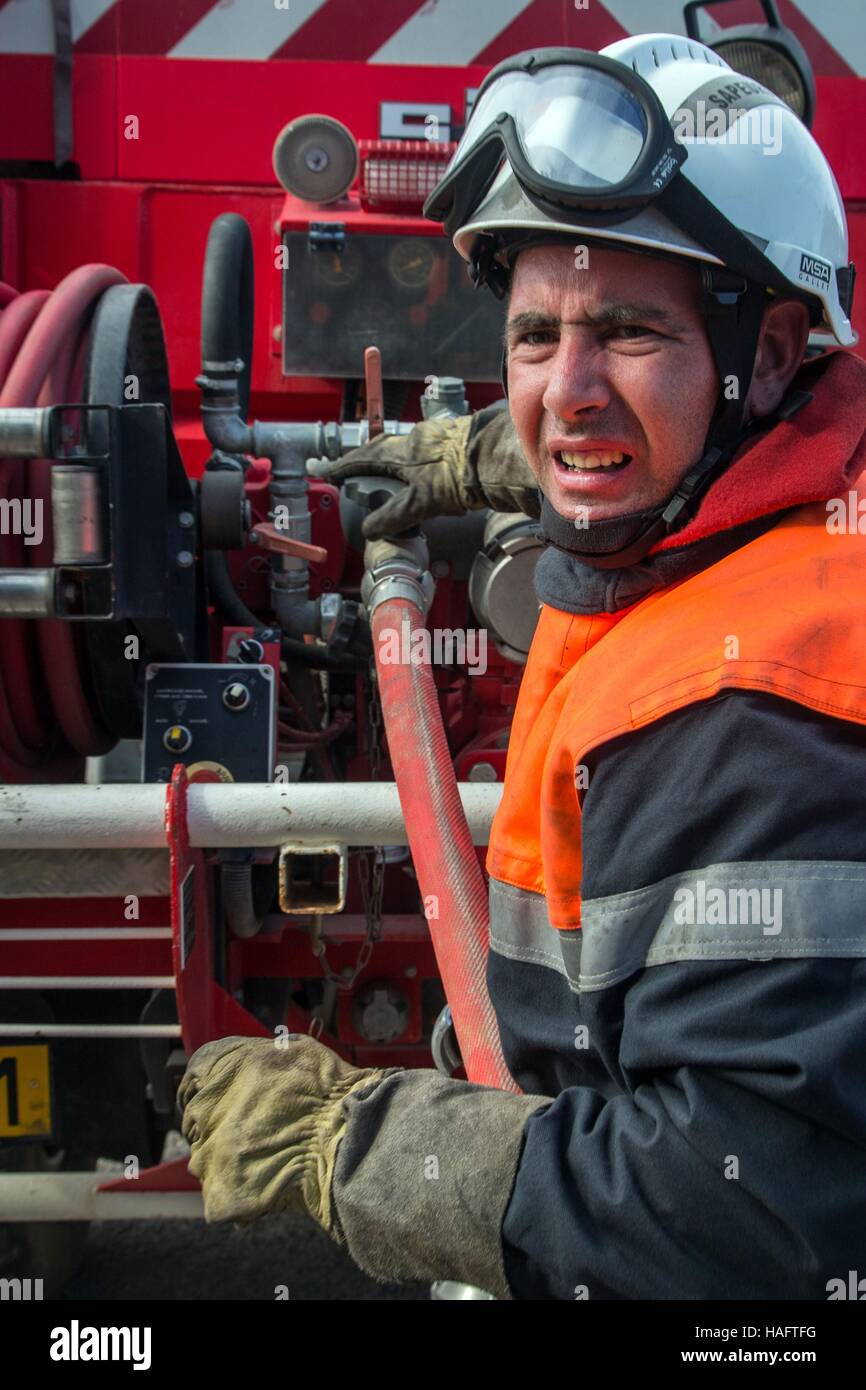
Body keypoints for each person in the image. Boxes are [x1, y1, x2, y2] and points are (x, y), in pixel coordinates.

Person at [178, 33, 866, 1301]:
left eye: (626, 330)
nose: (567, 389)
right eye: (534, 335)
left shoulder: (761, 706)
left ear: (769, 352)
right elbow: (613, 420)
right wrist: (472, 454)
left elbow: (749, 1220)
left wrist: (354, 1147)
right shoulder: (757, 504)